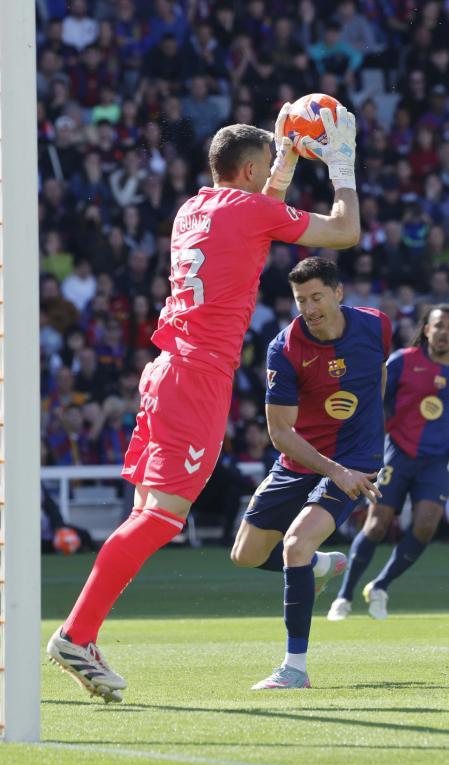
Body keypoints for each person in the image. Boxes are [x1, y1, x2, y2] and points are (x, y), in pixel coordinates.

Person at [47, 102, 360, 703]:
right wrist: (340, 163)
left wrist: (284, 158)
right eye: (268, 164)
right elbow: (345, 231)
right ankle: (76, 635)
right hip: (198, 378)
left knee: (149, 514)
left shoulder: (194, 207)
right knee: (161, 519)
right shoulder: (251, 210)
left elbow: (259, 210)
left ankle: (82, 635)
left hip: (166, 369)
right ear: (250, 171)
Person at [231, 257, 392, 690]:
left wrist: (368, 443)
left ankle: (294, 669)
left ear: (338, 293)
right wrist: (334, 470)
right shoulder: (284, 348)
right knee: (245, 555)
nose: (309, 307)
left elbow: (376, 377)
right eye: (301, 300)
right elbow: (280, 433)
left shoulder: (377, 325)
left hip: (356, 461)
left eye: (317, 297)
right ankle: (321, 565)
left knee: (296, 544)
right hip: (301, 460)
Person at [328, 305, 449, 621]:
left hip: (436, 461)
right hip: (397, 452)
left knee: (426, 526)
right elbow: (374, 399)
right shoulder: (403, 361)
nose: (444, 333)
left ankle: (380, 585)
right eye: (439, 326)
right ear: (427, 329)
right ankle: (344, 596)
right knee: (377, 523)